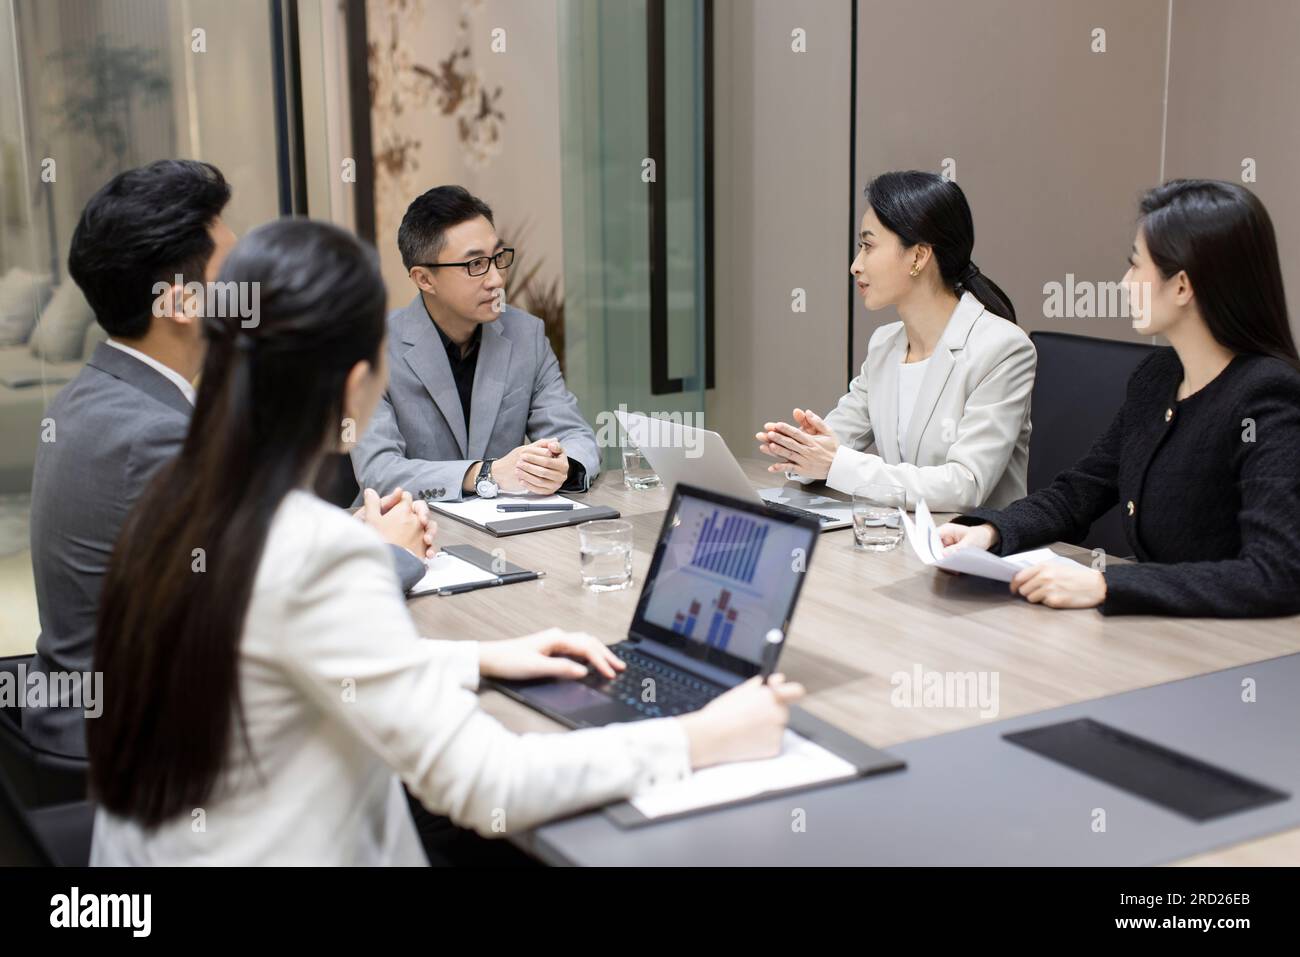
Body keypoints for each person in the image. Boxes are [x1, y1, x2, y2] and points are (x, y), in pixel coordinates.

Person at [87, 219, 804, 865]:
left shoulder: (177, 506)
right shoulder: (317, 549)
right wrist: (701, 736)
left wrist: (480, 655)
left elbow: (292, 653)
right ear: (356, 382)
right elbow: (488, 783)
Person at [24, 160, 433, 760]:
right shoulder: (156, 436)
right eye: (237, 277)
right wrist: (387, 553)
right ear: (184, 304)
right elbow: (273, 620)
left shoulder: (100, 395)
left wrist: (346, 533)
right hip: (140, 751)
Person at [939, 179, 1300, 617]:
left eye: (1136, 266)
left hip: (1232, 652)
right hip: (1156, 631)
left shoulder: (1269, 397)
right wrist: (989, 531)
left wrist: (1107, 583)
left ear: (1182, 286)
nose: (1125, 283)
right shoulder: (1158, 376)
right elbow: (1081, 492)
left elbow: (1274, 572)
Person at [755, 170, 1036, 510]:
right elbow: (838, 440)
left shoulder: (1003, 349)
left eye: (868, 246)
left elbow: (965, 485)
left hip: (974, 550)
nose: (855, 265)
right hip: (898, 540)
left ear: (918, 256)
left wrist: (834, 463)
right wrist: (801, 450)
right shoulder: (884, 345)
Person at [352, 185, 600, 503]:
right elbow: (380, 473)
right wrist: (485, 474)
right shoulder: (372, 349)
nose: (495, 278)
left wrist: (562, 466)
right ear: (424, 279)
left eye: (498, 258)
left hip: (501, 532)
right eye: (475, 265)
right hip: (407, 533)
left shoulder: (526, 335)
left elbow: (576, 436)